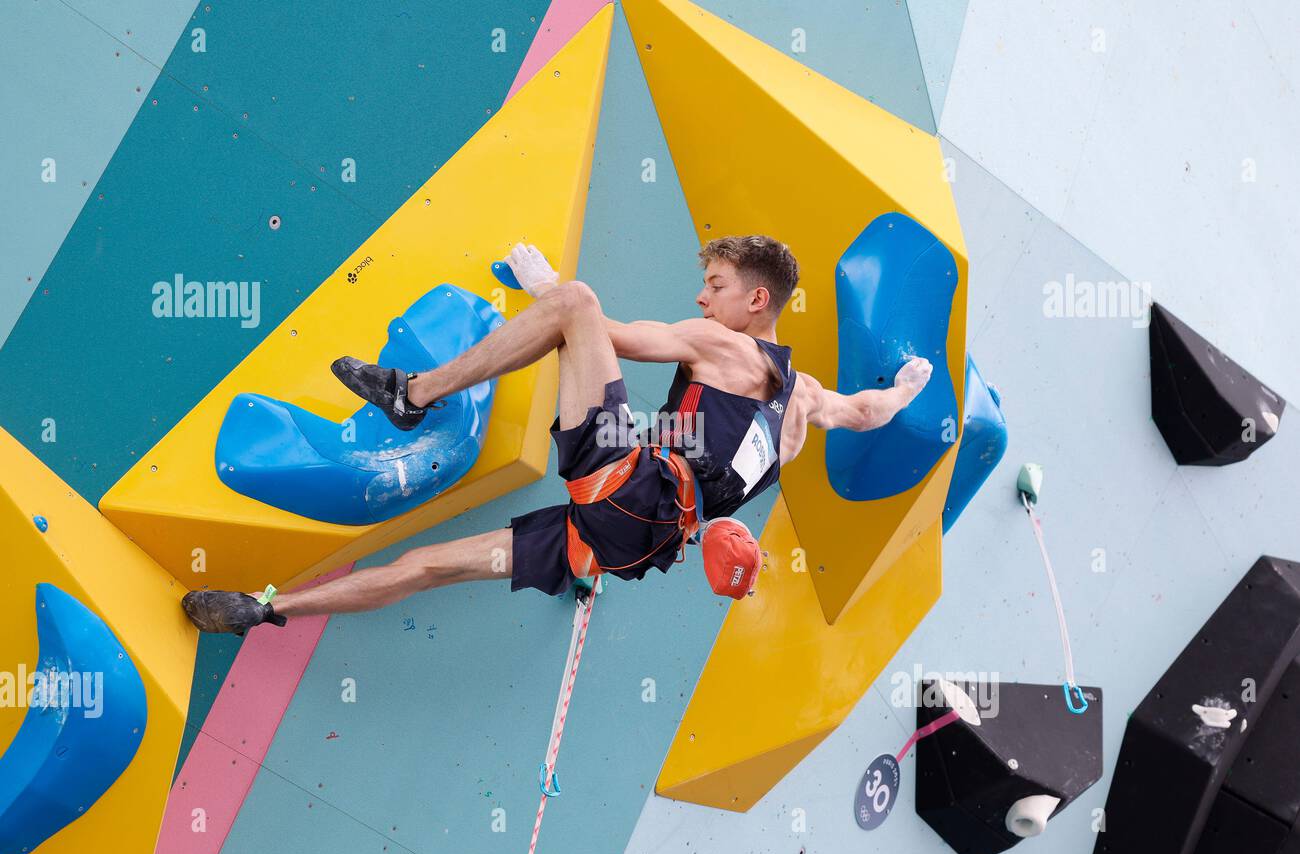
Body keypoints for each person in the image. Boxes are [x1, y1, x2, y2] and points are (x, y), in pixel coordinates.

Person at [181, 235, 933, 636]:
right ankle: (262, 608)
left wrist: (542, 285)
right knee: (427, 567)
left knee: (575, 299)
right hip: (634, 540)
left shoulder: (724, 345)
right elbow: (869, 412)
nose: (702, 297)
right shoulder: (804, 401)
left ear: (756, 300)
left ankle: (411, 394)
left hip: (630, 483)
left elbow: (610, 334)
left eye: (717, 286)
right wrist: (906, 387)